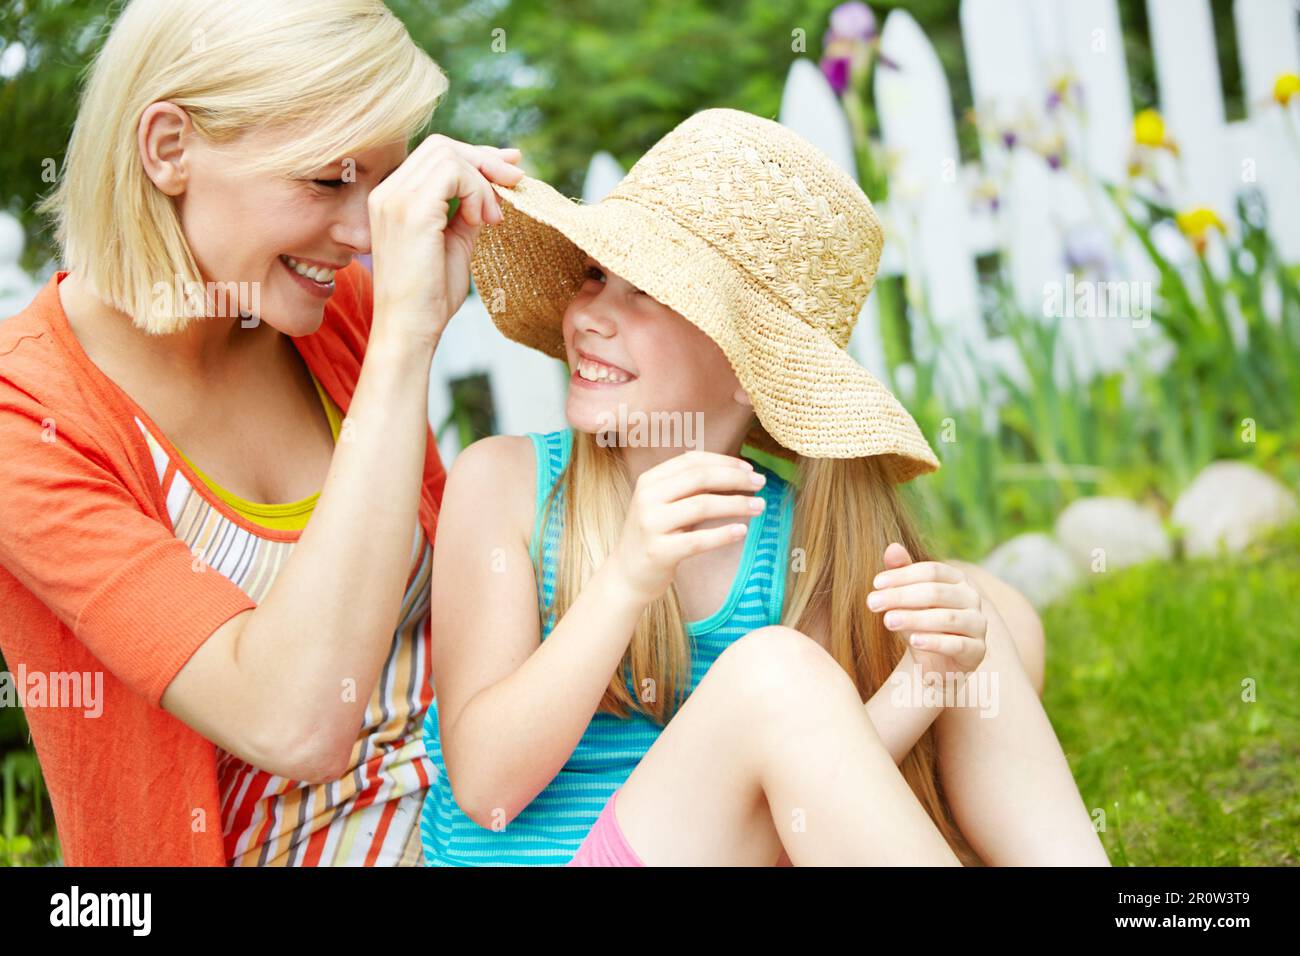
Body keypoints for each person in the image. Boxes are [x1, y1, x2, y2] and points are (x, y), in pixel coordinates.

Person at [419, 108, 1108, 866]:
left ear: (753, 370)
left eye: (646, 291)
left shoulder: (789, 542)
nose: (589, 316)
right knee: (771, 673)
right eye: (594, 276)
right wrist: (624, 581)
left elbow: (809, 801)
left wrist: (925, 681)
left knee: (973, 619)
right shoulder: (507, 482)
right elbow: (485, 785)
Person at [0, 0, 522, 865]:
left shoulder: (328, 315)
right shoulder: (29, 417)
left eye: (381, 188)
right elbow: (294, 723)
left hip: (483, 826)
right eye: (326, 181)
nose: (361, 237)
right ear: (169, 148)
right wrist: (403, 343)